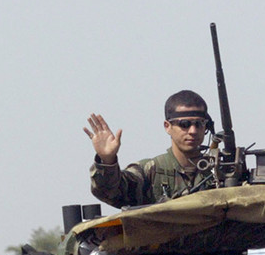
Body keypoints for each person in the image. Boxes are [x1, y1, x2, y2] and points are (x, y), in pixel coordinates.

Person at [86, 90, 214, 209]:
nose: (193, 131)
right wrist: (107, 161)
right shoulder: (150, 170)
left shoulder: (217, 171)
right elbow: (110, 192)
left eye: (199, 124)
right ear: (167, 126)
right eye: (184, 124)